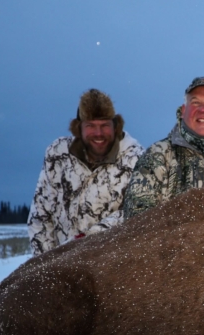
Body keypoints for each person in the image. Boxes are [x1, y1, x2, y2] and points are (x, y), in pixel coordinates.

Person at [122, 77, 204, 218]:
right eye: (196, 102)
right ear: (184, 110)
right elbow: (137, 219)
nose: (203, 110)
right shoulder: (158, 155)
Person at [28, 89, 143, 255]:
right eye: (90, 126)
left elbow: (137, 212)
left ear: (116, 127)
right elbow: (41, 214)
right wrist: (44, 267)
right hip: (61, 265)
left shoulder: (136, 159)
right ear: (78, 128)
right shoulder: (57, 155)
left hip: (114, 267)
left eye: (105, 125)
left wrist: (86, 239)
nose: (98, 133)